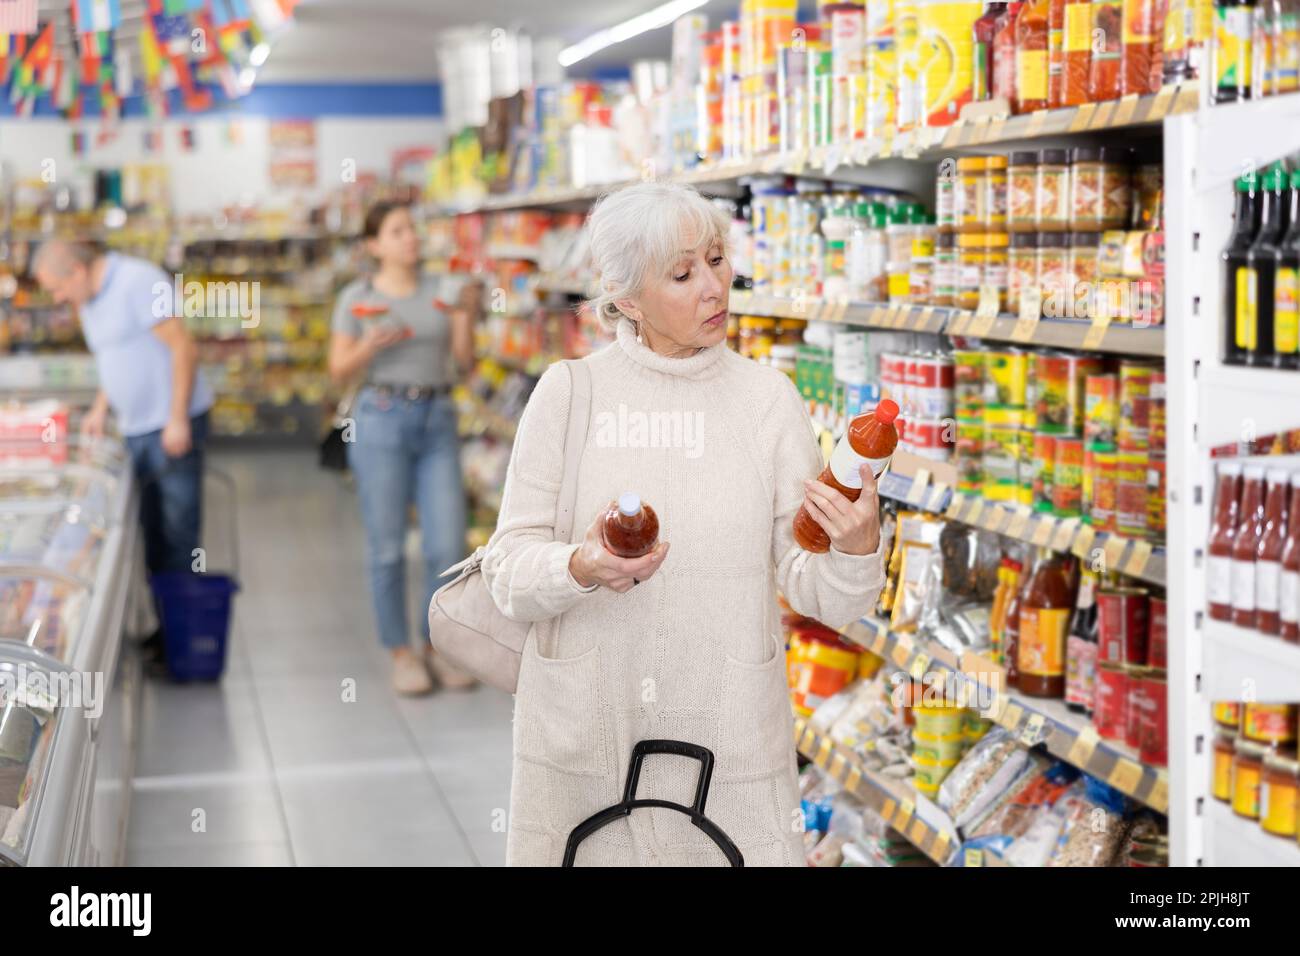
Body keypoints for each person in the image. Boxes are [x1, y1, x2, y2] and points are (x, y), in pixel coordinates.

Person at [481, 182, 886, 866]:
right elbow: (506, 573)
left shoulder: (767, 402)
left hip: (728, 743)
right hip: (588, 736)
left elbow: (824, 594)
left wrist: (855, 545)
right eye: (682, 272)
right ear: (627, 299)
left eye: (719, 259)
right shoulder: (570, 396)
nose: (714, 286)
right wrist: (579, 567)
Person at [329, 201, 479, 696]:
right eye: (397, 232)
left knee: (447, 544)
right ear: (374, 245)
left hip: (437, 417)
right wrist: (369, 345)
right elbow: (338, 370)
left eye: (412, 230)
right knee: (388, 547)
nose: (410, 239)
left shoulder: (443, 290)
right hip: (380, 420)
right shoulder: (357, 296)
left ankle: (436, 644)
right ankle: (401, 652)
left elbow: (463, 361)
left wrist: (467, 314)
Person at [33, 240, 214, 581]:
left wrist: (176, 419)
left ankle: (184, 625)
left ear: (77, 270)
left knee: (179, 534)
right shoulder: (87, 300)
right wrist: (100, 408)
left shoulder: (139, 281)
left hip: (169, 427)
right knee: (151, 532)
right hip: (135, 429)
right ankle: (164, 624)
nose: (57, 298)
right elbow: (114, 357)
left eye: (57, 289)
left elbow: (183, 349)